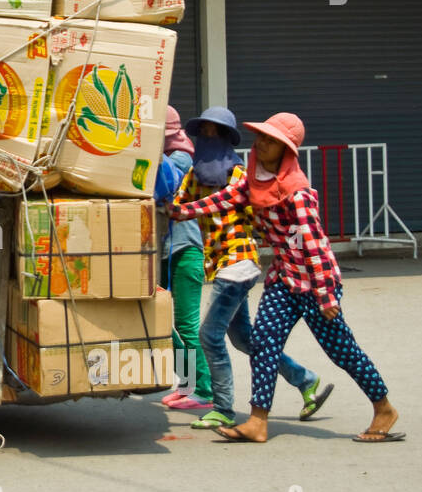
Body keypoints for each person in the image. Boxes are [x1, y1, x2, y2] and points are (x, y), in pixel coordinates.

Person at [168, 113, 401, 444]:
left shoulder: (297, 192)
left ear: (286, 151)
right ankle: (257, 421)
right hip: (283, 278)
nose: (261, 145)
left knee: (341, 350)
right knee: (263, 344)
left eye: (271, 142)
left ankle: (384, 408)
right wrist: (182, 211)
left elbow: (315, 245)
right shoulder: (254, 182)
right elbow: (225, 199)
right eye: (262, 138)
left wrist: (325, 295)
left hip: (314, 282)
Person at [173, 107, 331, 430]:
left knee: (208, 335)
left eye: (215, 133)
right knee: (245, 339)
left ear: (227, 139)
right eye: (203, 132)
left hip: (239, 264)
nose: (207, 138)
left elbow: (231, 204)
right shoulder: (193, 175)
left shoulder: (239, 175)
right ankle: (306, 380)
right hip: (220, 266)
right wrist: (170, 208)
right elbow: (179, 205)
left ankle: (223, 406)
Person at [156, 107, 212, 410]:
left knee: (186, 325)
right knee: (163, 322)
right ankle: (189, 382)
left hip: (185, 250)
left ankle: (204, 388)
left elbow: (162, 183)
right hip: (164, 249)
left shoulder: (180, 159)